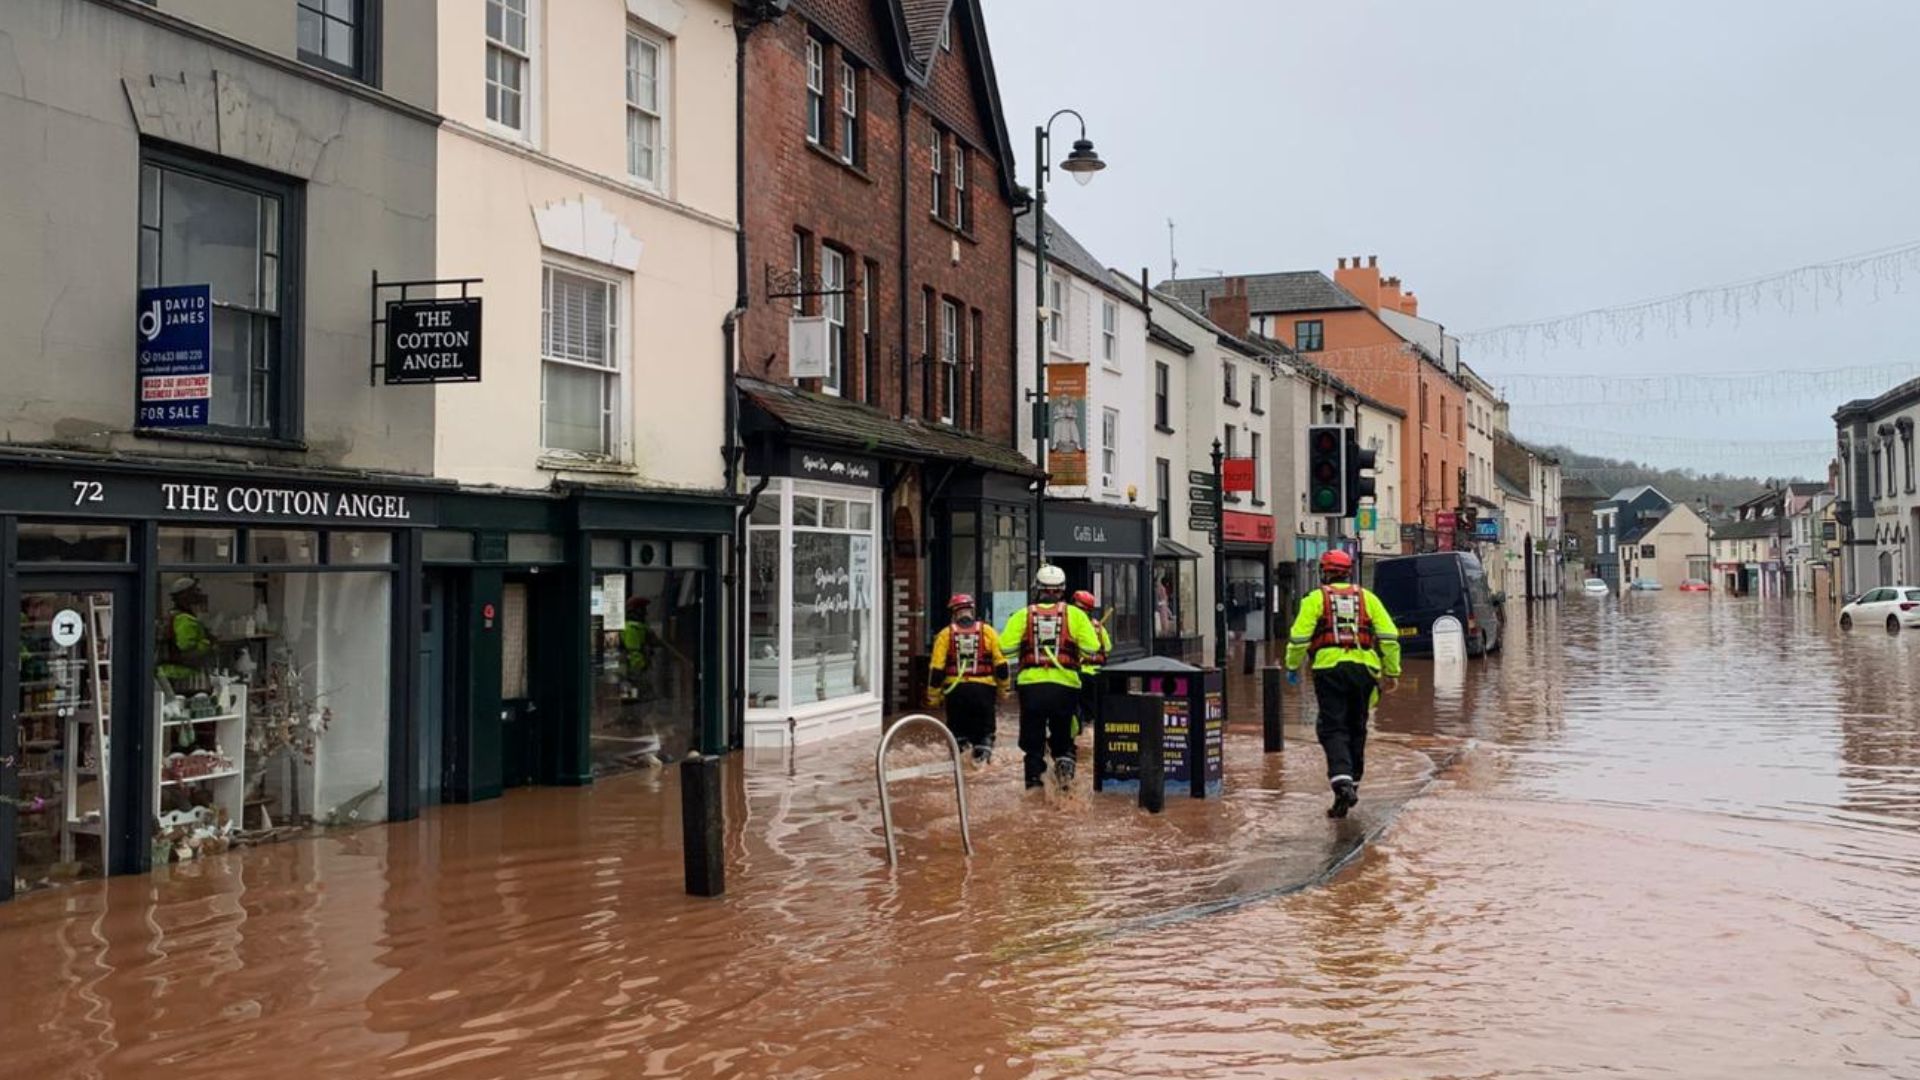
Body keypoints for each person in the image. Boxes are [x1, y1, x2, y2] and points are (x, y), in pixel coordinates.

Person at [1283, 550, 1401, 819]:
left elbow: (1299, 638)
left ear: (1323, 573)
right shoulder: (1368, 598)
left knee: (1332, 727)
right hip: (1365, 670)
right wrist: (1391, 672)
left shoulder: (1315, 599)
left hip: (1329, 669)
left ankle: (1342, 782)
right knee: (1357, 727)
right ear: (1349, 572)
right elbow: (1389, 636)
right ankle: (1348, 790)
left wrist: (1292, 665)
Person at [999, 565, 1103, 791]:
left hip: (1031, 687)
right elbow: (1092, 648)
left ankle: (1034, 784)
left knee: (1032, 740)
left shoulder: (1022, 615)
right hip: (1065, 686)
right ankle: (1064, 765)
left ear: (1038, 589)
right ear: (1062, 590)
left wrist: (1027, 646)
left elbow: (1004, 648)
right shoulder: (1075, 615)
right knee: (1063, 732)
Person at [925, 593, 1010, 764]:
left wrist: (933, 697)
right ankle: (982, 761)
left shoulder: (945, 635)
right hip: (984, 692)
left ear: (954, 613)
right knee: (985, 735)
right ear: (972, 611)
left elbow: (937, 670)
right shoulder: (988, 632)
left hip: (956, 693)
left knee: (958, 736)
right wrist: (1003, 690)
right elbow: (1001, 665)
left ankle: (960, 768)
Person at [157, 577, 214, 689]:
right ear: (185, 597)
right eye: (195, 593)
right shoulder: (185, 620)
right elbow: (187, 652)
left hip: (172, 672)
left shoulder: (173, 616)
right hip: (183, 676)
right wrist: (208, 643)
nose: (199, 597)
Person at [1069, 589, 1113, 735]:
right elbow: (1107, 648)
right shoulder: (1098, 628)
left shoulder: (1073, 627)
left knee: (1075, 710)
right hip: (1097, 675)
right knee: (1093, 712)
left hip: (1078, 674)